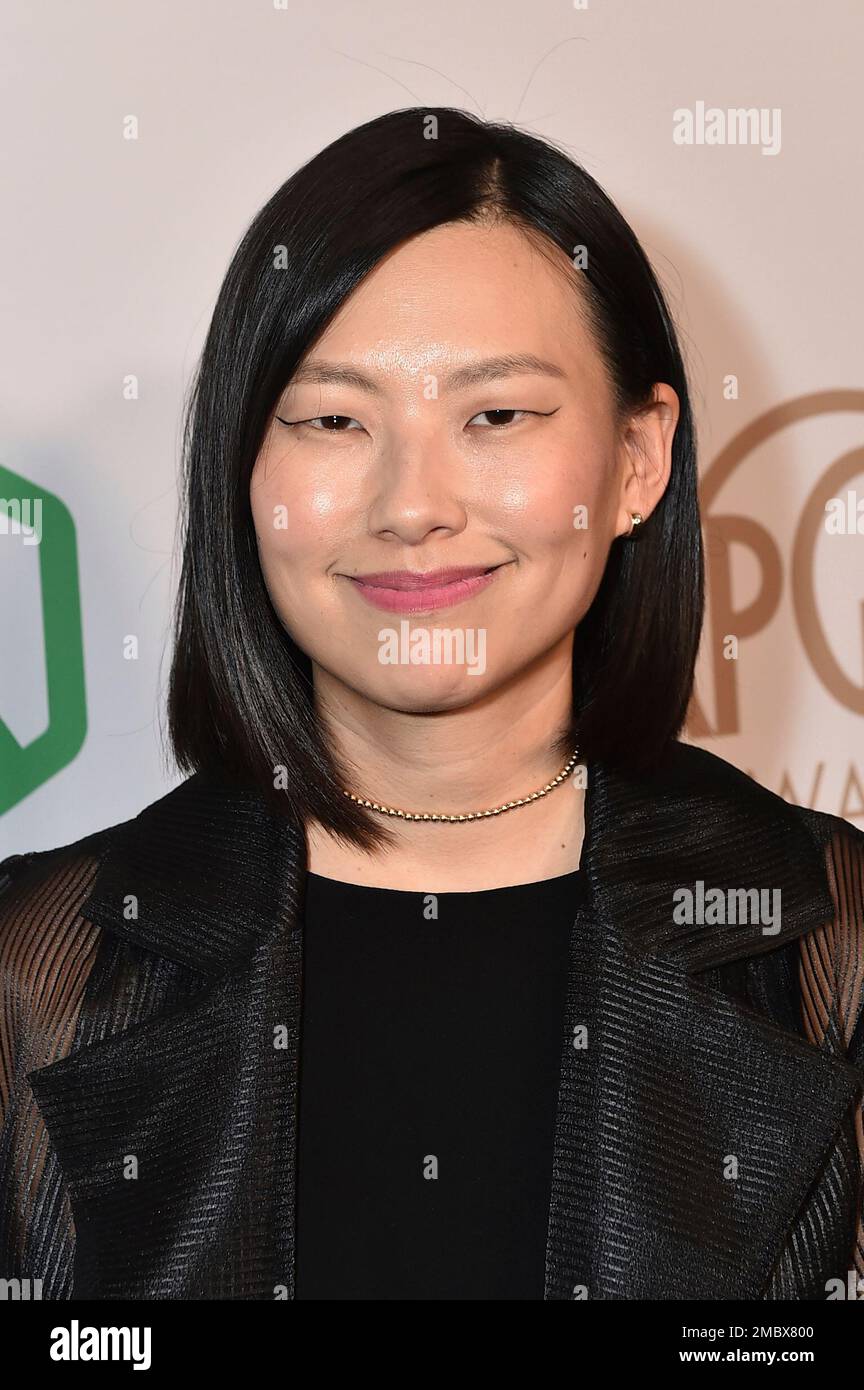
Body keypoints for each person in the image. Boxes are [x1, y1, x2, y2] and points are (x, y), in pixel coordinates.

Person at [1, 106, 862, 1301]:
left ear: (637, 460)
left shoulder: (831, 948)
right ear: (242, 472)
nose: (413, 504)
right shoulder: (37, 967)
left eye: (496, 415)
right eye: (333, 420)